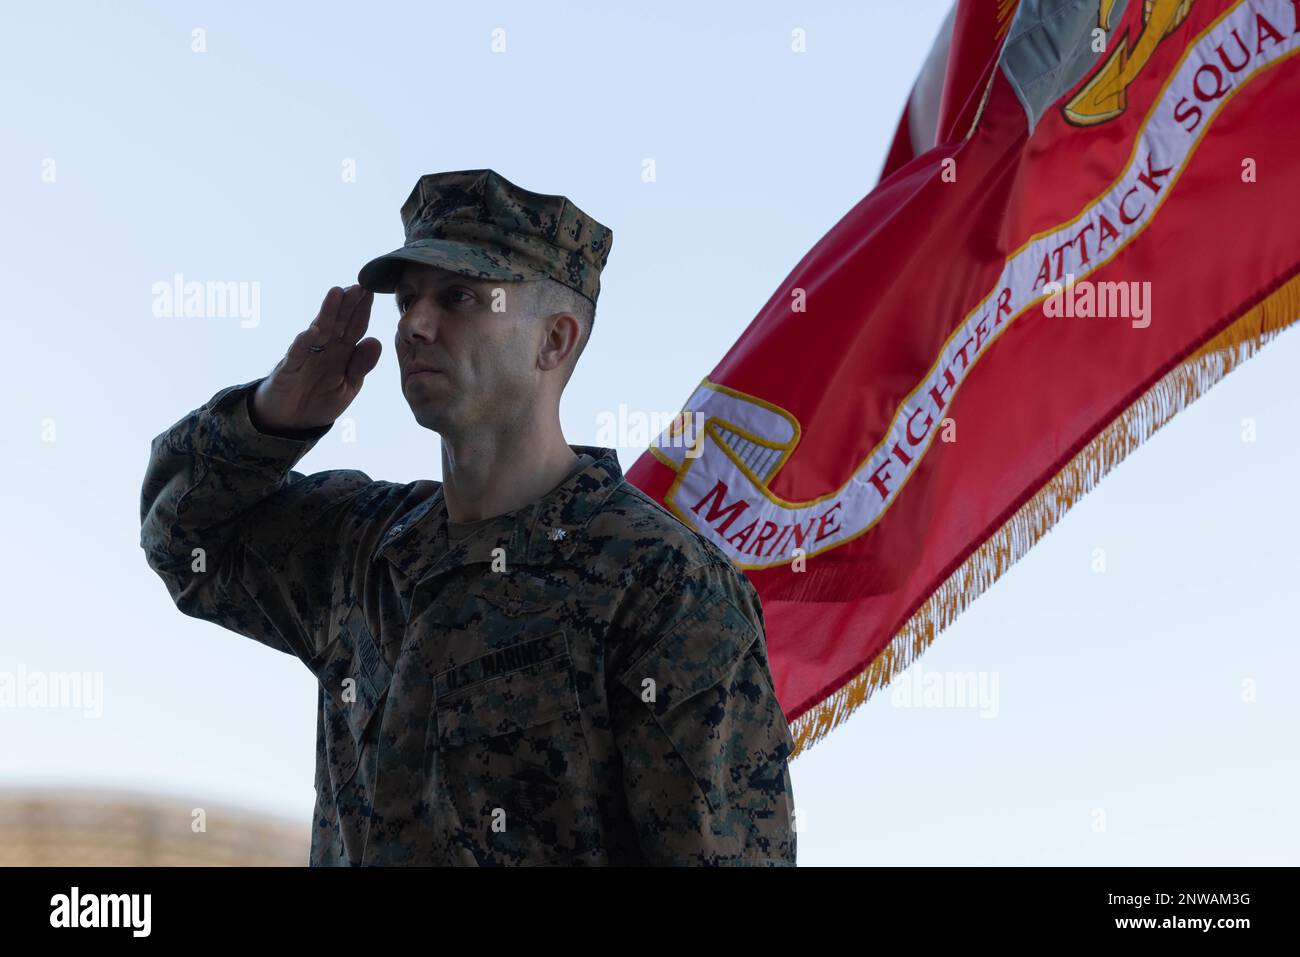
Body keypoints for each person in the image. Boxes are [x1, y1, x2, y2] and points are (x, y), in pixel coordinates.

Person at [139, 168, 796, 865]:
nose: (415, 326)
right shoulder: (362, 545)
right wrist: (270, 417)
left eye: (459, 297)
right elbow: (183, 540)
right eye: (408, 300)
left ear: (555, 340)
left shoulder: (661, 585)